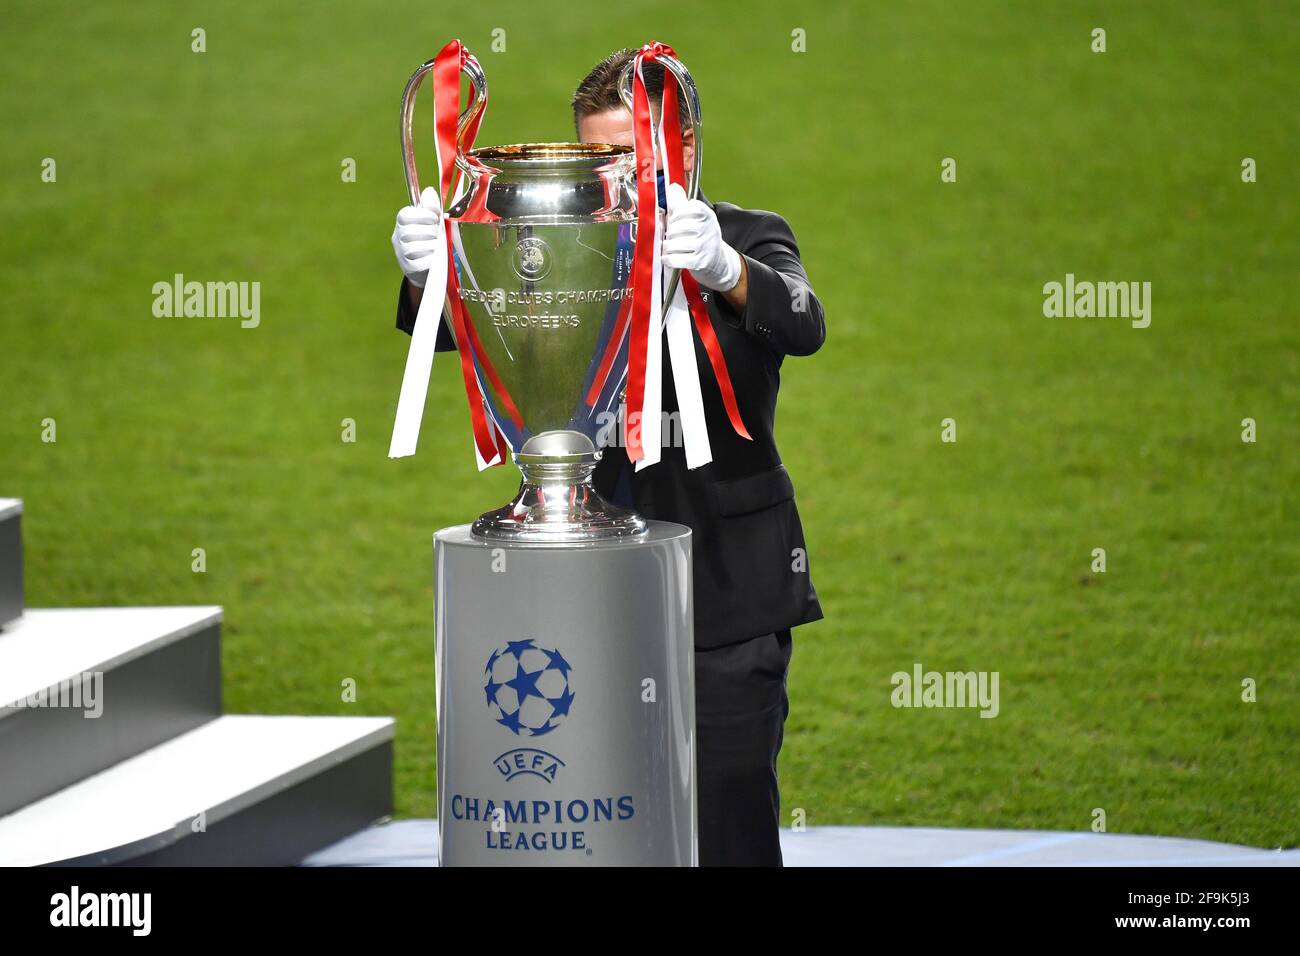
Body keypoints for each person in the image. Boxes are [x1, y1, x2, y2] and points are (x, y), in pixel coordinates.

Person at [390, 48, 825, 866]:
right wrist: (430, 275)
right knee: (606, 807)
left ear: (684, 145)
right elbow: (454, 331)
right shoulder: (565, 242)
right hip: (595, 589)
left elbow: (803, 322)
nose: (619, 171)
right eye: (604, 154)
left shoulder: (742, 235)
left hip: (730, 585)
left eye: (636, 151)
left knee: (731, 805)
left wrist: (725, 270)